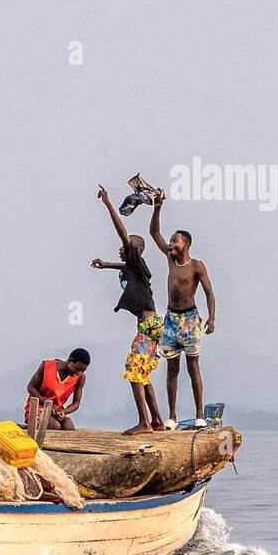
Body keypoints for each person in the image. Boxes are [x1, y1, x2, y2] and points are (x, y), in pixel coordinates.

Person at [92, 184, 168, 435]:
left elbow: (121, 233)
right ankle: (157, 421)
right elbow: (123, 266)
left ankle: (145, 423)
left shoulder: (135, 260)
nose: (121, 249)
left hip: (149, 326)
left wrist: (107, 204)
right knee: (142, 374)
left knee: (134, 373)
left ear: (134, 251)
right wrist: (106, 265)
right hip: (152, 325)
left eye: (126, 247)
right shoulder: (132, 268)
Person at [150, 194, 217, 428]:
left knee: (193, 366)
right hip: (171, 319)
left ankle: (199, 414)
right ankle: (172, 416)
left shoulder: (197, 266)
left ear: (185, 244)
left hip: (190, 319)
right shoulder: (170, 259)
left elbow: (209, 292)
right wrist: (157, 208)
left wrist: (211, 318)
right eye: (170, 242)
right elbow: (154, 233)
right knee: (172, 369)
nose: (170, 245)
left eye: (174, 241)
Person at [25, 349, 90, 430]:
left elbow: (76, 404)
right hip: (38, 406)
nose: (78, 373)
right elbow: (31, 387)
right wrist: (47, 405)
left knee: (68, 425)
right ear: (70, 361)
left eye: (82, 371)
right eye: (77, 369)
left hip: (57, 410)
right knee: (55, 426)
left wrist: (64, 412)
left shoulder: (80, 377)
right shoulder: (47, 366)